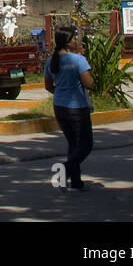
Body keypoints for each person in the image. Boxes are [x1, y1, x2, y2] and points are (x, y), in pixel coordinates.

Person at [45, 25, 95, 190]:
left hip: (59, 106)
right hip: (77, 108)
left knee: (73, 144)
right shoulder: (78, 60)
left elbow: (48, 86)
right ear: (67, 42)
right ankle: (64, 169)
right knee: (86, 145)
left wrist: (61, 91)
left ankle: (76, 182)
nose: (76, 41)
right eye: (74, 38)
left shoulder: (51, 61)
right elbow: (89, 83)